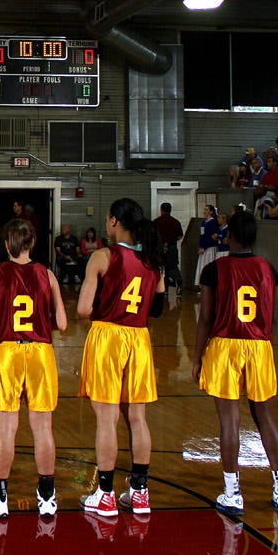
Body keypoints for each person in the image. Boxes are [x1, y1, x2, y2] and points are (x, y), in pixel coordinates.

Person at [191, 211, 278, 516]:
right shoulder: (269, 269)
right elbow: (273, 318)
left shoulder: (214, 269)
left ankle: (233, 492)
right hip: (260, 346)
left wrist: (197, 357)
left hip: (225, 344)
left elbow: (206, 319)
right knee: (266, 418)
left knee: (229, 420)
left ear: (229, 235)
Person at [0, 219, 67, 518]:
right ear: (33, 243)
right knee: (43, 429)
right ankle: (47, 497)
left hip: (6, 352)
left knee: (6, 430)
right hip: (40, 352)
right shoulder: (47, 274)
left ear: (6, 245)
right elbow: (63, 323)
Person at [77, 198, 164, 518]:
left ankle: (105, 494)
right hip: (139, 339)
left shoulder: (102, 257)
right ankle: (140, 492)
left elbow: (84, 310)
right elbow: (157, 307)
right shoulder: (153, 261)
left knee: (107, 418)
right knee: (137, 418)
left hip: (109, 336)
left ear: (114, 221)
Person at [153, 203, 184, 296]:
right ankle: (178, 280)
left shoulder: (156, 222)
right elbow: (180, 236)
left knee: (162, 268)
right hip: (172, 247)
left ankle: (164, 289)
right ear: (170, 210)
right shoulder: (175, 222)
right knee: (173, 266)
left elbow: (153, 236)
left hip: (160, 248)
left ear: (161, 210)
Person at [194, 205, 224, 287]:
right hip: (203, 247)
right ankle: (201, 284)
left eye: (206, 210)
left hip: (209, 248)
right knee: (202, 265)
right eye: (204, 209)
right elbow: (202, 235)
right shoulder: (204, 222)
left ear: (211, 212)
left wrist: (204, 246)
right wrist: (200, 245)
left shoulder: (213, 222)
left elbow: (210, 236)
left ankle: (208, 284)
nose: (204, 211)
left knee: (208, 264)